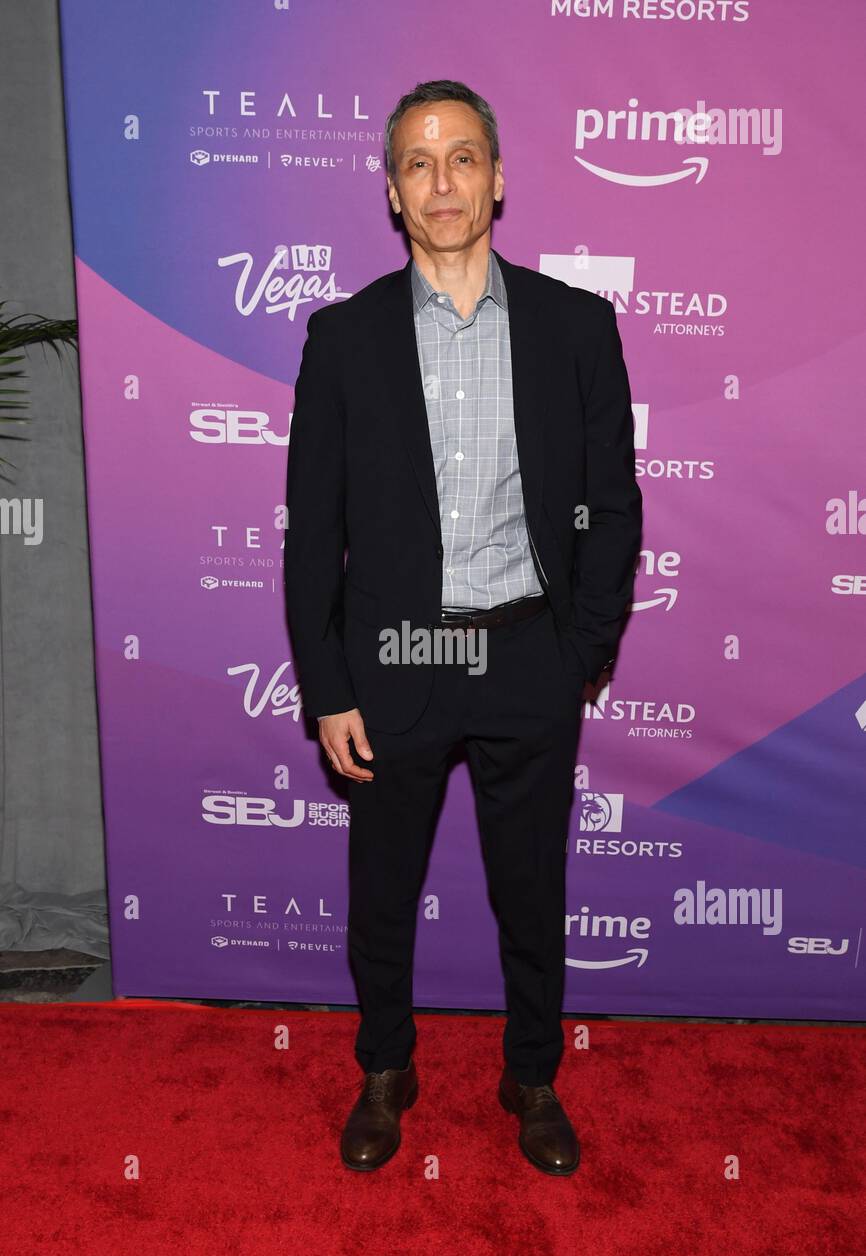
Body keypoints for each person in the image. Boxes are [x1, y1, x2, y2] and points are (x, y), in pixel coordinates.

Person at [284, 79, 642, 1176]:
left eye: (462, 158)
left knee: (531, 888)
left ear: (498, 176)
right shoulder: (341, 340)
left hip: (524, 654)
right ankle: (384, 1070)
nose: (442, 183)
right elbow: (313, 534)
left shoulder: (573, 327)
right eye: (417, 164)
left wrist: (578, 653)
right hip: (396, 661)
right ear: (391, 193)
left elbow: (612, 506)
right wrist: (329, 686)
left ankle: (531, 1074)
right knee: (381, 891)